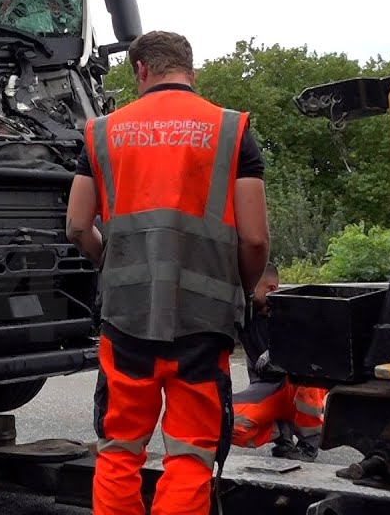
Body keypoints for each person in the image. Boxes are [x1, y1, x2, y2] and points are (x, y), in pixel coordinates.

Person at [66, 30, 271, 515]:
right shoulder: (231, 130)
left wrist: (114, 265)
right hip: (203, 321)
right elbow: (255, 238)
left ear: (140, 70)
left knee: (119, 449)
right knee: (190, 453)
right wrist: (242, 292)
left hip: (127, 318)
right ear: (190, 70)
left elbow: (77, 226)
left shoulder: (101, 132)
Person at [231, 263, 327, 461]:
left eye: (249, 287)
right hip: (268, 388)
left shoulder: (297, 311)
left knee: (309, 384)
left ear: (271, 289)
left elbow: (320, 353)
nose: (244, 291)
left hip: (298, 385)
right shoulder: (244, 314)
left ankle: (309, 444)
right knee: (222, 420)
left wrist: (278, 352)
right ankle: (282, 434)